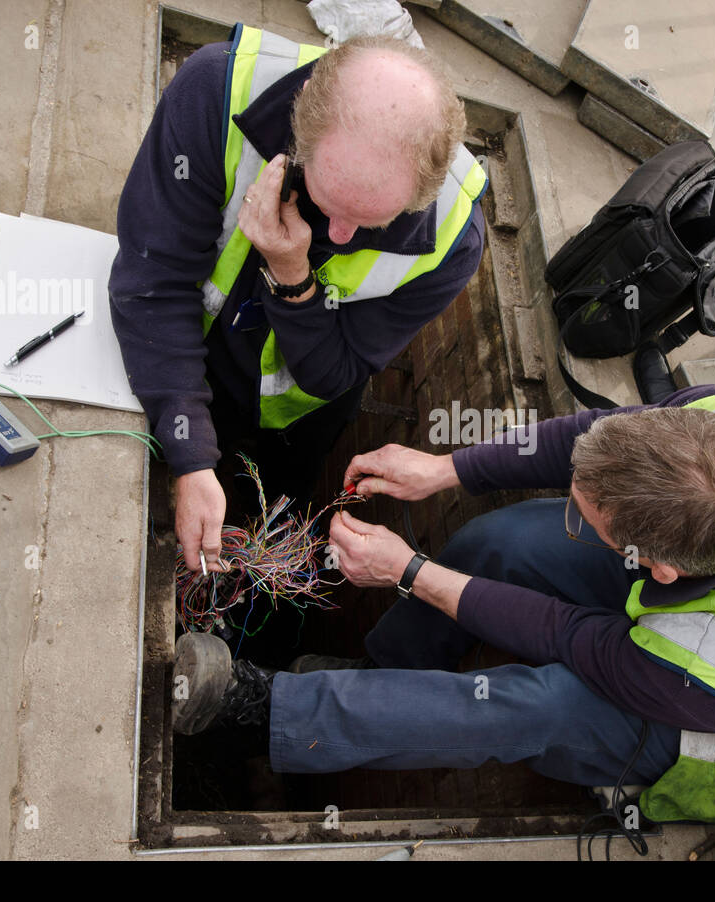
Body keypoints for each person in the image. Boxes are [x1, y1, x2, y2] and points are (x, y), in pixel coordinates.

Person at [171, 383, 715, 825]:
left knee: (537, 706)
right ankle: (369, 668)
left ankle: (261, 708)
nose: (574, 519)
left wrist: (407, 571)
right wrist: (446, 470)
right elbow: (592, 439)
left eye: (585, 520)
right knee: (504, 541)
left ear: (655, 568)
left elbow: (574, 639)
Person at [108, 25, 487, 574]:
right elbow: (153, 280)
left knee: (275, 506)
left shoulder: (453, 239)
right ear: (300, 126)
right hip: (185, 348)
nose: (338, 234)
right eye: (328, 200)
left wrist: (292, 275)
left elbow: (333, 373)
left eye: (368, 221)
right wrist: (190, 455)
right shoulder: (214, 94)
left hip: (298, 419)